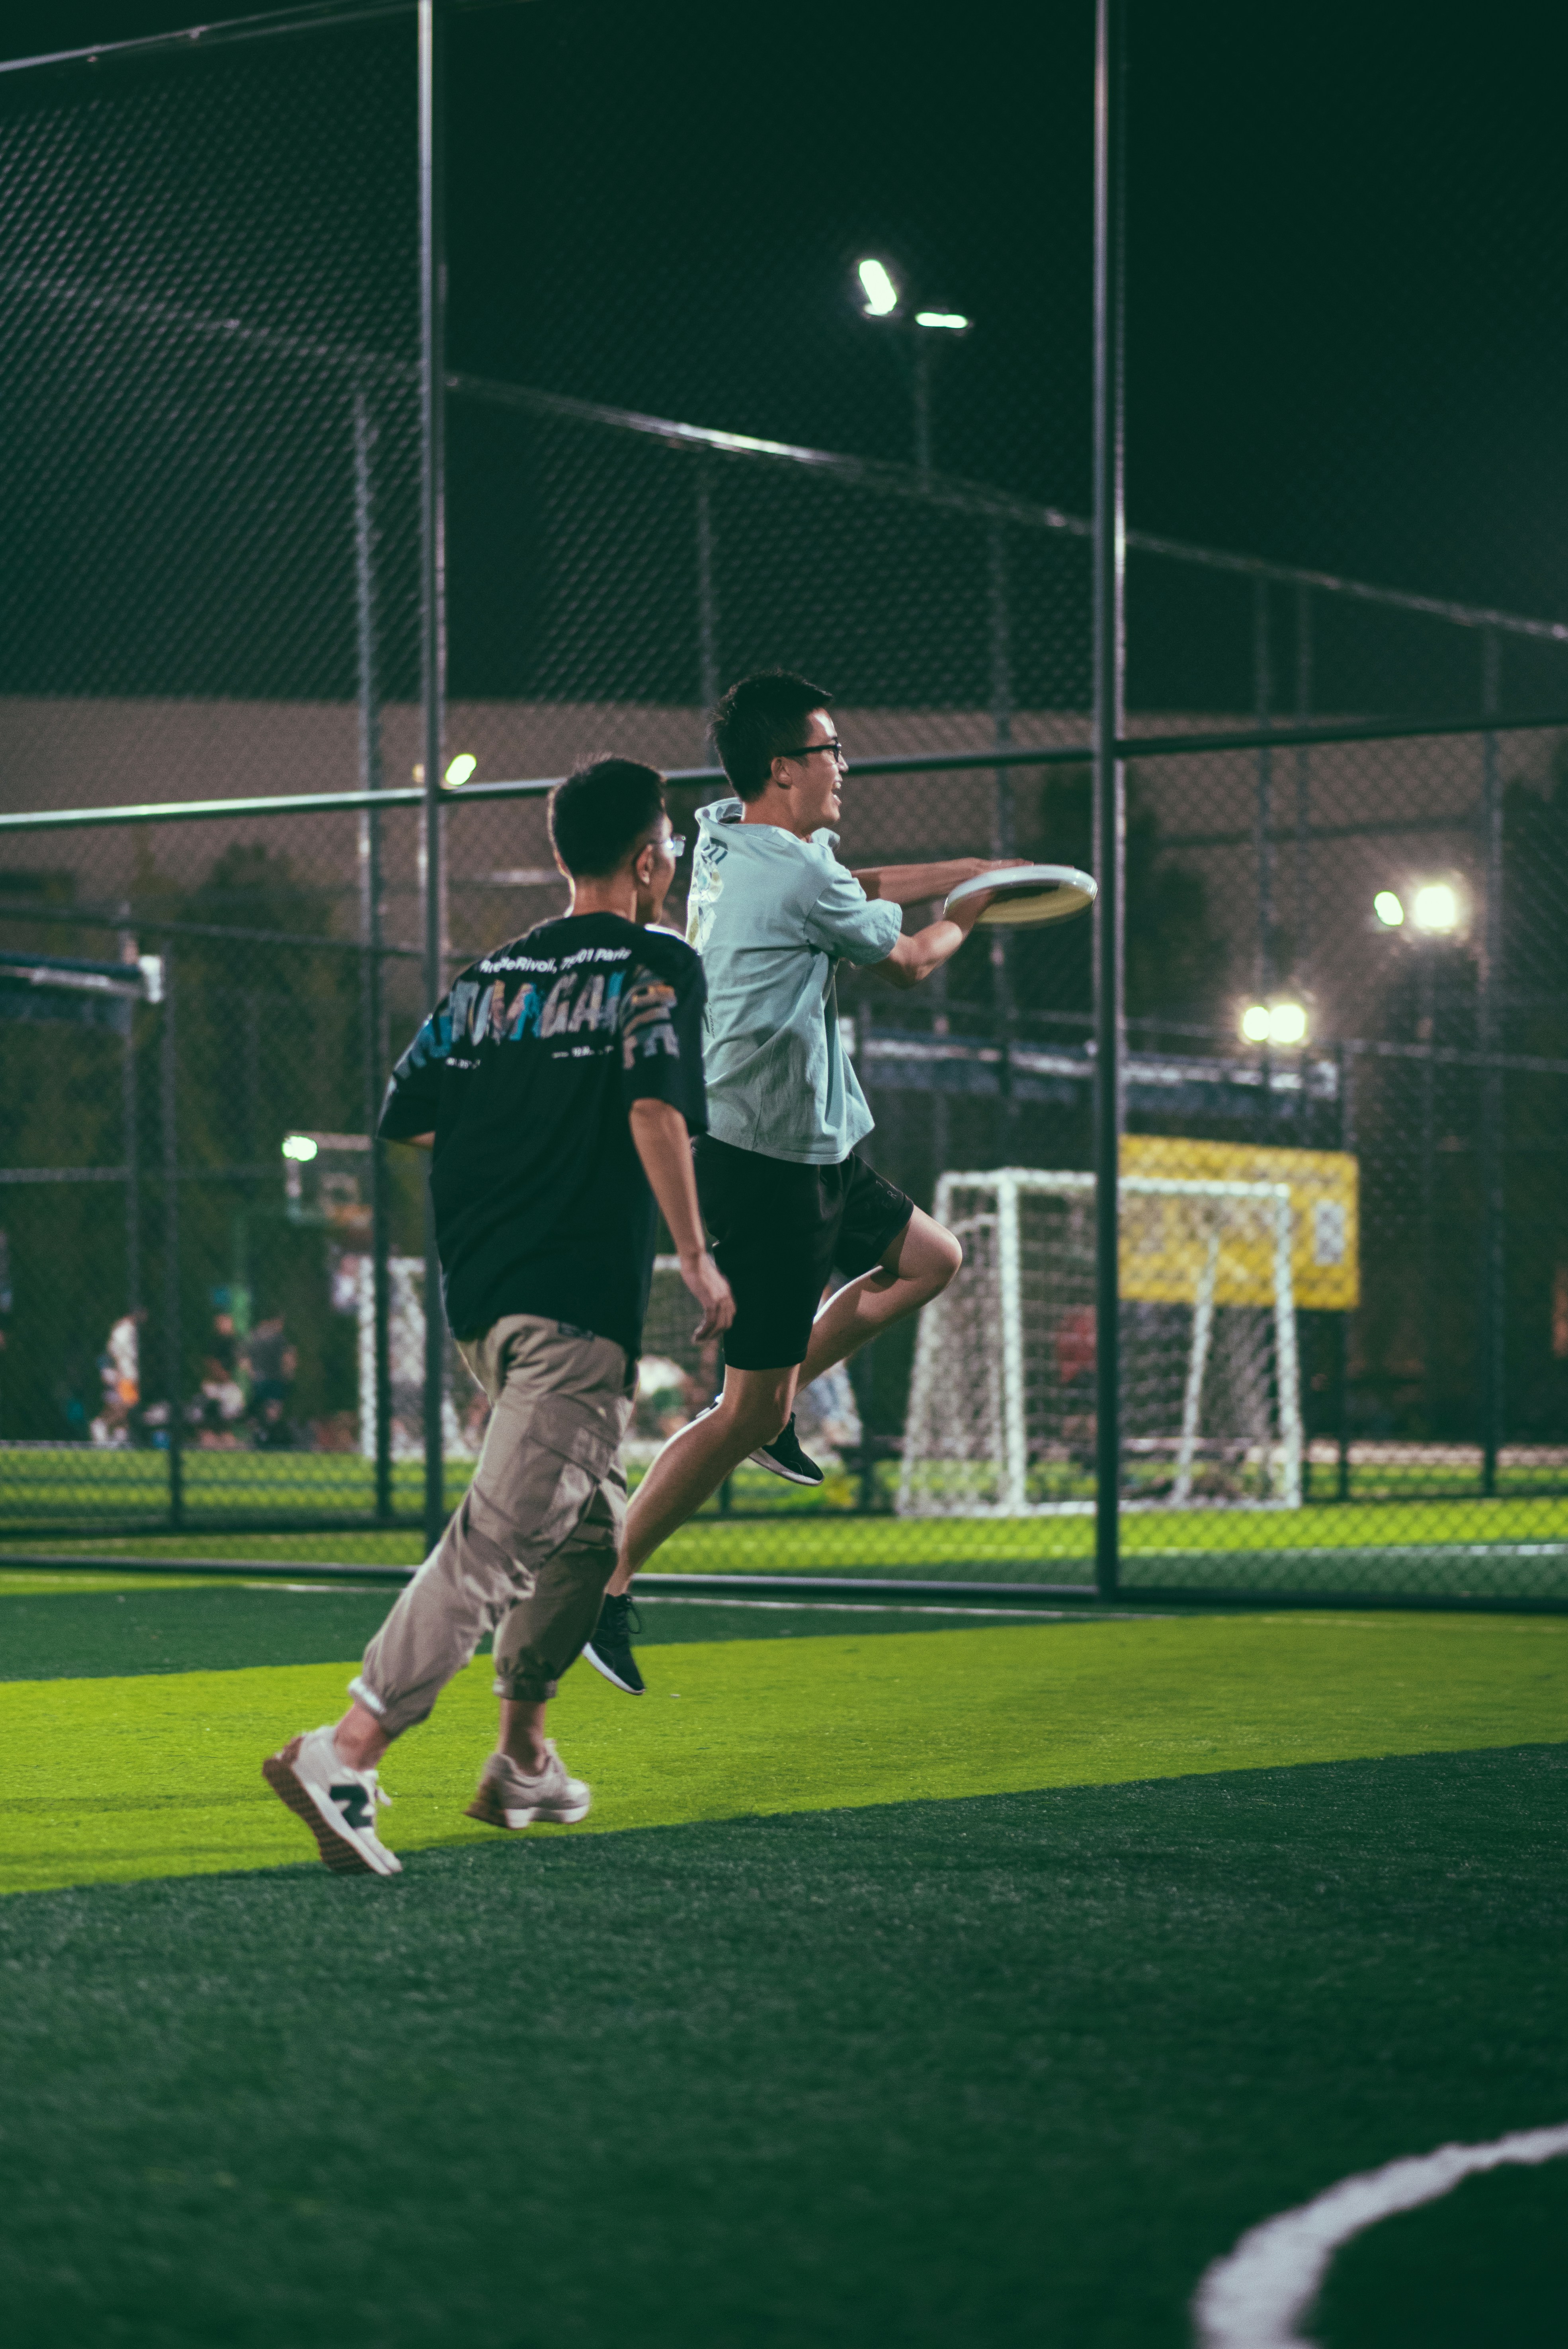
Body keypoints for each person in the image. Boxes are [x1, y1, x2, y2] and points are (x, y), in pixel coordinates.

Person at [262, 756, 731, 1878]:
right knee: (501, 1538)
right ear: (652, 859)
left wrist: (518, 1134)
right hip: (574, 1296)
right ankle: (351, 1748)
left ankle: (523, 1753)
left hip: (481, 1292)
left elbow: (408, 1115)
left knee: (586, 1527)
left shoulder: (482, 980)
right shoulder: (659, 959)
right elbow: (657, 1106)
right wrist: (699, 1259)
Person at [584, 670, 1005, 1696]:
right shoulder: (791, 876)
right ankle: (601, 1583)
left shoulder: (729, 830)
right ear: (785, 769)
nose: (843, 766)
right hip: (762, 1162)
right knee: (740, 1415)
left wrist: (978, 866)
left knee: (931, 1261)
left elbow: (856, 878)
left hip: (808, 1143)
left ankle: (776, 1411)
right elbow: (906, 958)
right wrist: (977, 913)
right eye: (831, 751)